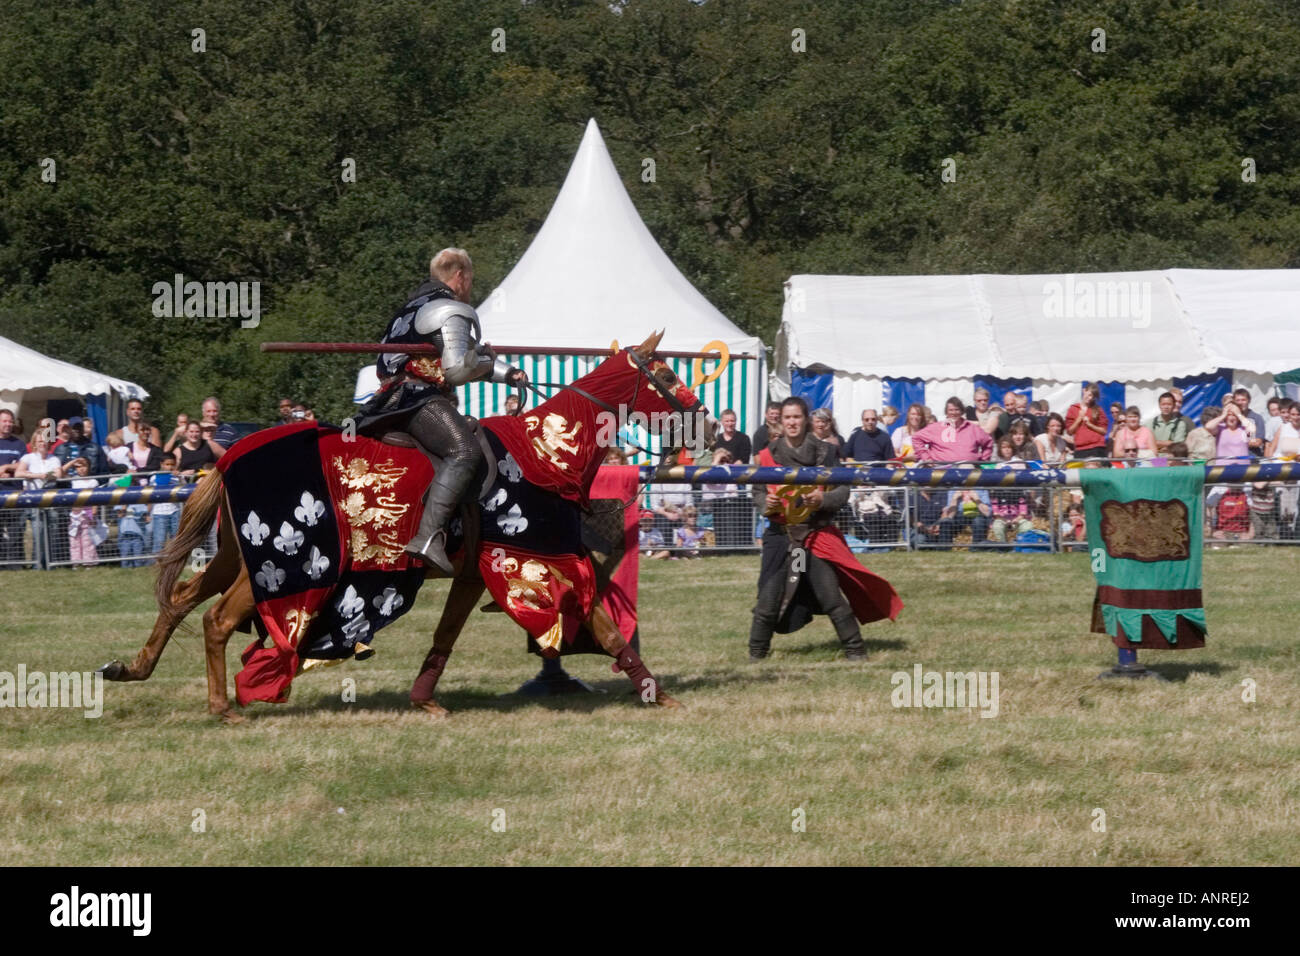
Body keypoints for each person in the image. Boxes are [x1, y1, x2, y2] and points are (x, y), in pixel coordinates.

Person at [354, 247, 527, 573]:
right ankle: (429, 536)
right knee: (464, 450)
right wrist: (481, 363)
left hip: (388, 400)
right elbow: (458, 371)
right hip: (416, 398)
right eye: (471, 280)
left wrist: (508, 374)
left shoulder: (409, 310)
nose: (470, 288)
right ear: (460, 276)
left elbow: (467, 356)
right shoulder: (450, 309)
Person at [747, 397, 901, 661]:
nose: (792, 422)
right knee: (769, 599)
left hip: (814, 535)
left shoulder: (825, 452)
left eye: (797, 417)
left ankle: (856, 651)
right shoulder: (767, 454)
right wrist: (767, 503)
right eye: (787, 418)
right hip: (782, 537)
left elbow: (843, 488)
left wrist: (822, 499)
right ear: (780, 421)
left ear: (806, 420)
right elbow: (757, 491)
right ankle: (756, 656)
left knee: (831, 597)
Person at [14, 427, 62, 569]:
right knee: (38, 533)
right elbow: (18, 473)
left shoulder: (54, 459)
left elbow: (57, 475)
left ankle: (50, 565)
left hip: (50, 498)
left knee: (52, 532)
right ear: (35, 442)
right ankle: (38, 565)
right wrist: (38, 476)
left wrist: (43, 475)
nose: (42, 443)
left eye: (45, 440)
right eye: (40, 440)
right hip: (33, 500)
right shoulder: (27, 458)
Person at [911, 397, 993, 462]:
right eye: (951, 410)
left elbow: (988, 442)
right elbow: (916, 438)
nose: (954, 413)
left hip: (968, 472)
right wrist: (927, 458)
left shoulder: (972, 428)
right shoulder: (936, 427)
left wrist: (983, 461)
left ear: (962, 411)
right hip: (940, 471)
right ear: (946, 412)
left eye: (957, 410)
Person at [0, 409, 29, 566]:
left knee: (16, 531)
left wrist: (6, 468)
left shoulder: (19, 444)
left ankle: (16, 565)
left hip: (14, 495)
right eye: (5, 421)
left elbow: (23, 464)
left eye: (10, 421)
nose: (8, 424)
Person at [148, 457, 183, 560]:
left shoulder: (177, 477)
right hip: (159, 512)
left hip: (175, 511)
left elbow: (185, 488)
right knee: (159, 539)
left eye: (172, 464)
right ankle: (157, 561)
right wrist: (148, 513)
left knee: (176, 538)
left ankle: (175, 559)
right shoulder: (154, 477)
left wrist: (180, 477)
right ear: (162, 464)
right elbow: (150, 495)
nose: (170, 467)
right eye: (167, 464)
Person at [1065, 385, 1109, 459]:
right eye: (1089, 395)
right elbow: (1070, 431)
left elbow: (1104, 431)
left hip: (1097, 447)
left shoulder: (1098, 409)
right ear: (1084, 391)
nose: (1090, 398)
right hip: (1081, 449)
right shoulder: (1073, 409)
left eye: (1093, 396)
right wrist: (1079, 419)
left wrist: (1090, 425)